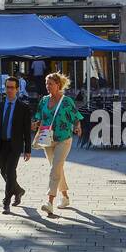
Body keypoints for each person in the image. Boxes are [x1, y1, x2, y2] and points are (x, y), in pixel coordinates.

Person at [32, 73, 83, 215]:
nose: (48, 86)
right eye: (46, 83)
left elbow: (76, 117)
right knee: (57, 168)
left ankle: (49, 202)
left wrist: (78, 126)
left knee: (55, 168)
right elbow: (38, 116)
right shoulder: (43, 100)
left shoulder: (67, 101)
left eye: (50, 84)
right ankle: (65, 197)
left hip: (64, 139)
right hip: (47, 139)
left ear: (58, 85)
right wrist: (34, 123)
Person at [0, 74, 33, 215]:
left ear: (17, 89)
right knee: (3, 171)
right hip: (1, 144)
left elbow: (26, 131)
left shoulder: (23, 108)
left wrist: (27, 150)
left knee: (10, 172)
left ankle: (6, 202)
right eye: (7, 87)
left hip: (15, 145)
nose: (9, 90)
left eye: (12, 88)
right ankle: (18, 190)